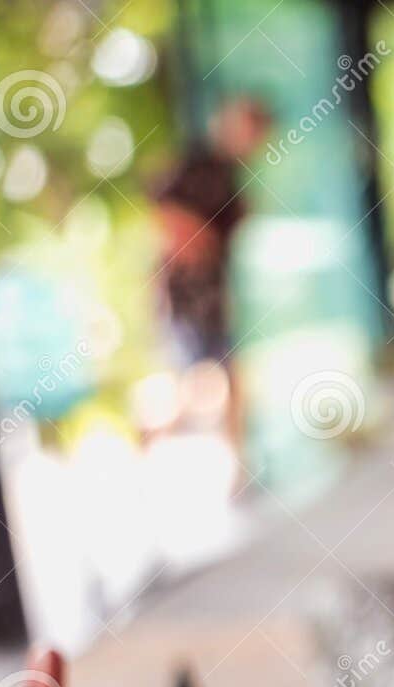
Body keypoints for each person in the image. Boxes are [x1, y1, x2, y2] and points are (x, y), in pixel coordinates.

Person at [151, 96, 272, 455]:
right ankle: (152, 454)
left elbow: (219, 241)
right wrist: (199, 237)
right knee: (182, 381)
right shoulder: (194, 164)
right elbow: (166, 218)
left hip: (213, 291)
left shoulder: (233, 181)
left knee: (229, 375)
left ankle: (239, 462)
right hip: (183, 291)